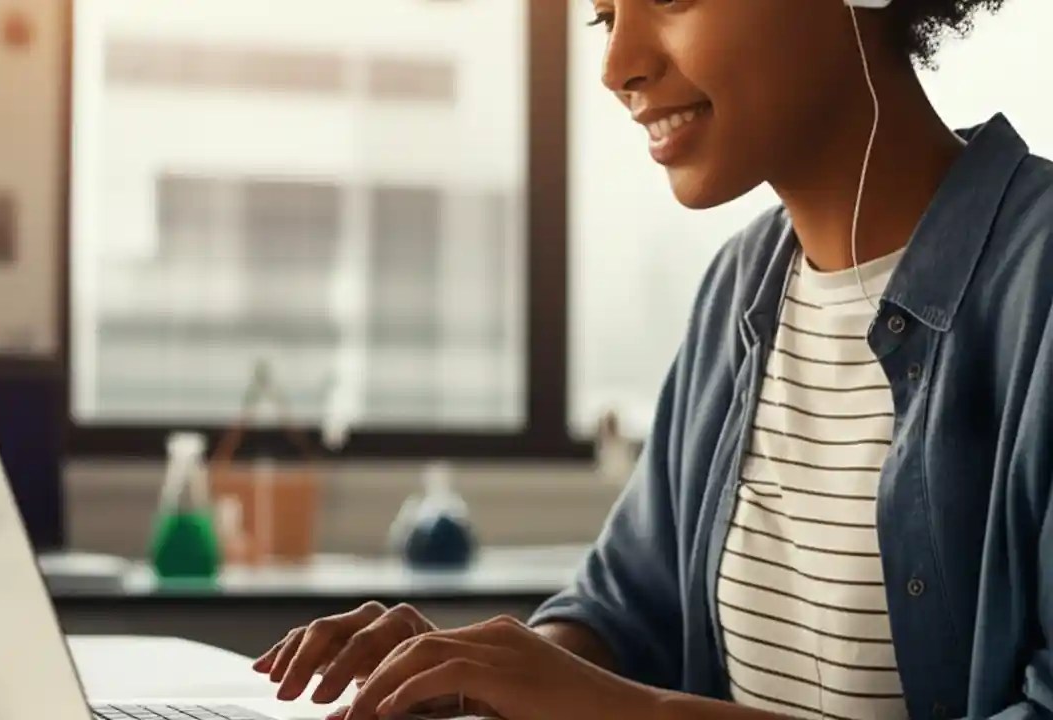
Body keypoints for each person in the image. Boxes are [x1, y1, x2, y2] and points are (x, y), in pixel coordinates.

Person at [254, 0, 1053, 718]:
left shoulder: (1038, 287)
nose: (616, 66)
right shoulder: (743, 288)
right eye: (604, 16)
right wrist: (467, 675)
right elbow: (623, 615)